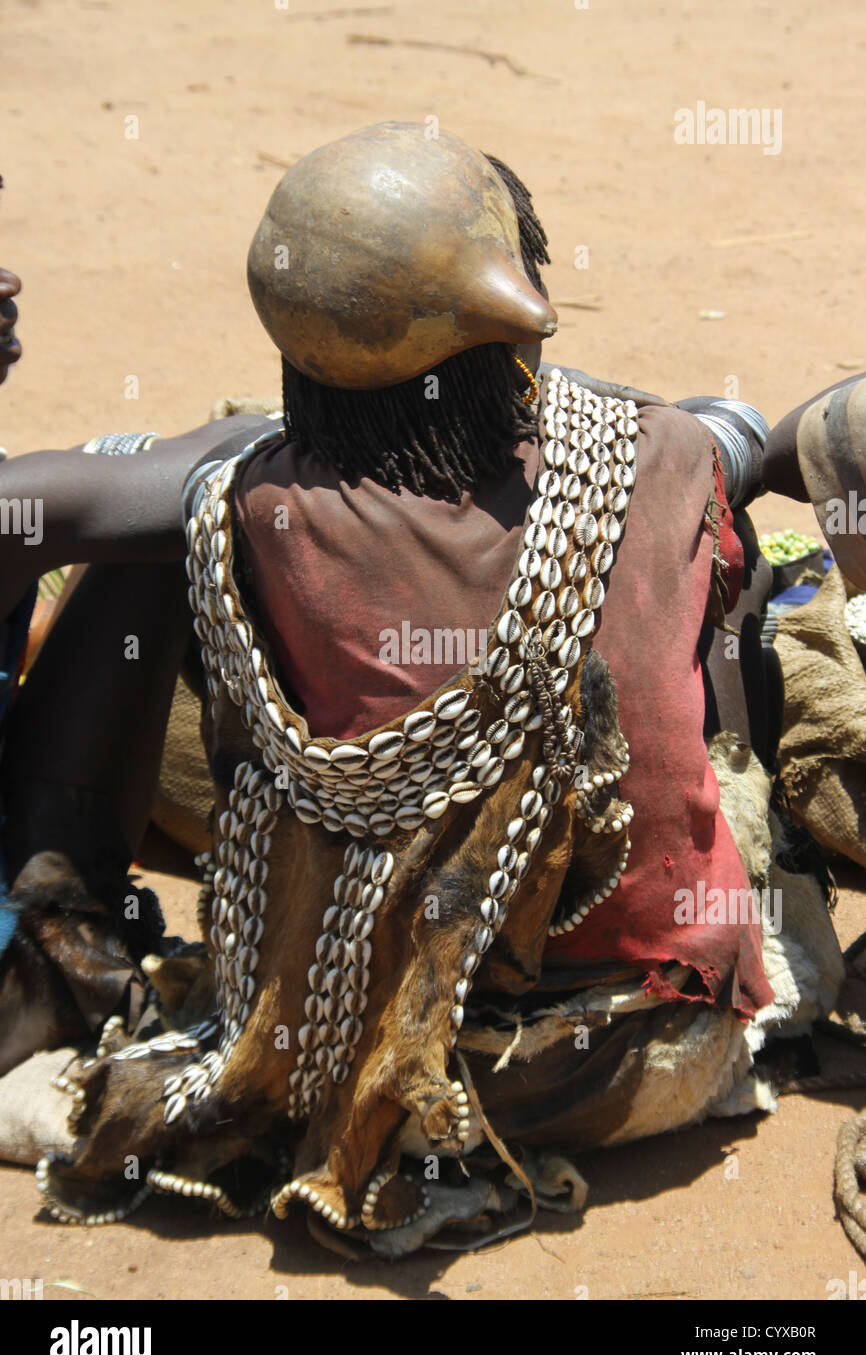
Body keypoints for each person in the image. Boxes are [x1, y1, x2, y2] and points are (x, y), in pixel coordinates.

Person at [0, 123, 858, 1249]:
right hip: (655, 1056)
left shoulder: (253, 498)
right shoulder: (660, 455)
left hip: (357, 1076)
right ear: (520, 311)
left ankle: (41, 954)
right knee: (728, 602)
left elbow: (32, 504)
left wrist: (204, 457)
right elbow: (813, 430)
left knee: (147, 541)